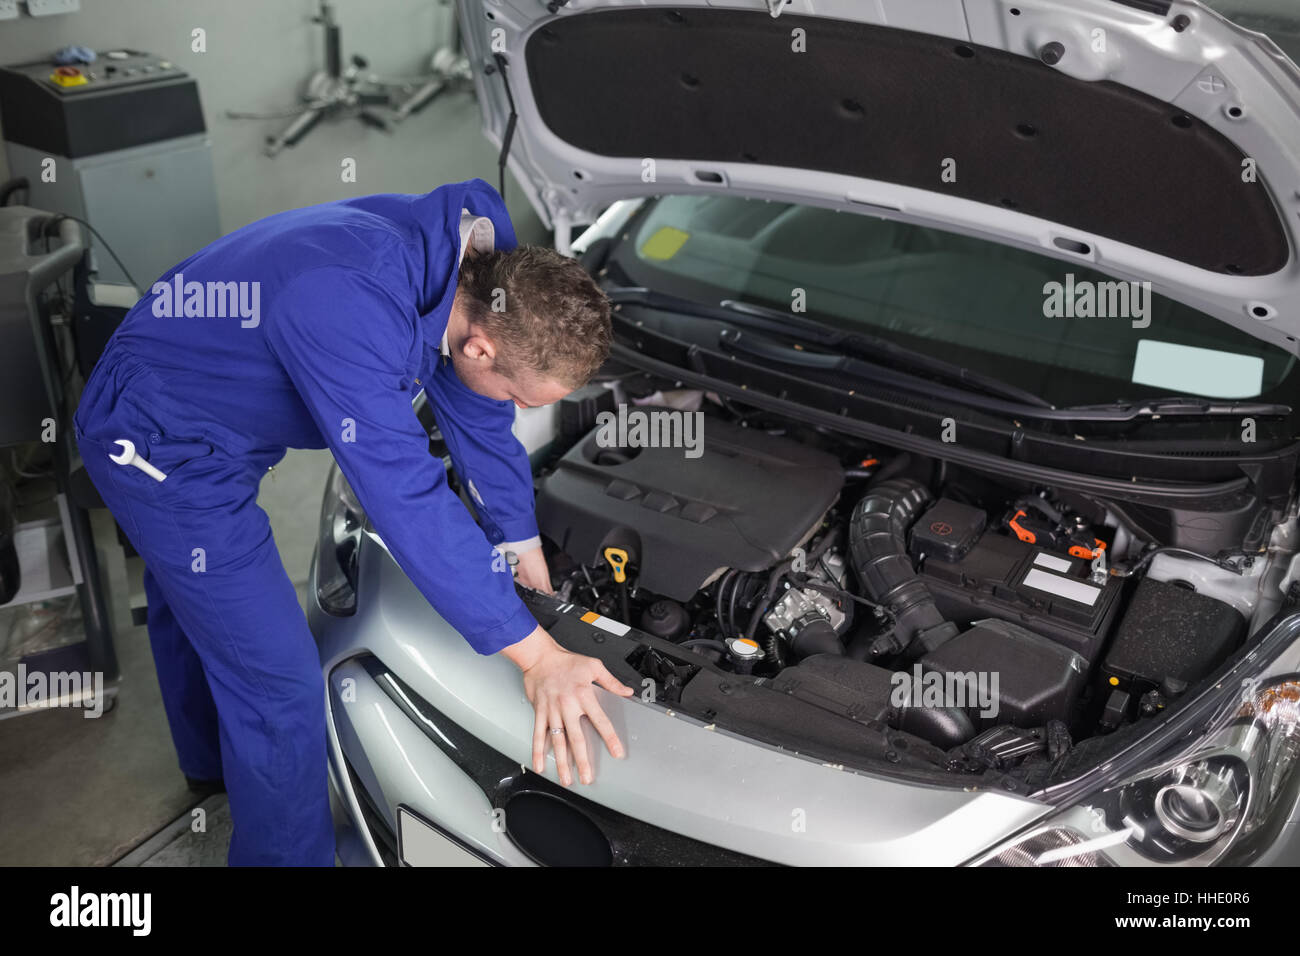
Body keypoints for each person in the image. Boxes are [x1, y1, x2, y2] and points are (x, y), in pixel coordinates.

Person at [74, 177, 634, 866]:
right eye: (523, 396)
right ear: (481, 348)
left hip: (211, 393)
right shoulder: (349, 305)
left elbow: (480, 416)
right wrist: (537, 655)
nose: (519, 409)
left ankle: (211, 767)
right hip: (160, 439)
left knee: (193, 596)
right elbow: (405, 493)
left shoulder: (480, 276)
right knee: (278, 682)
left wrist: (518, 545)